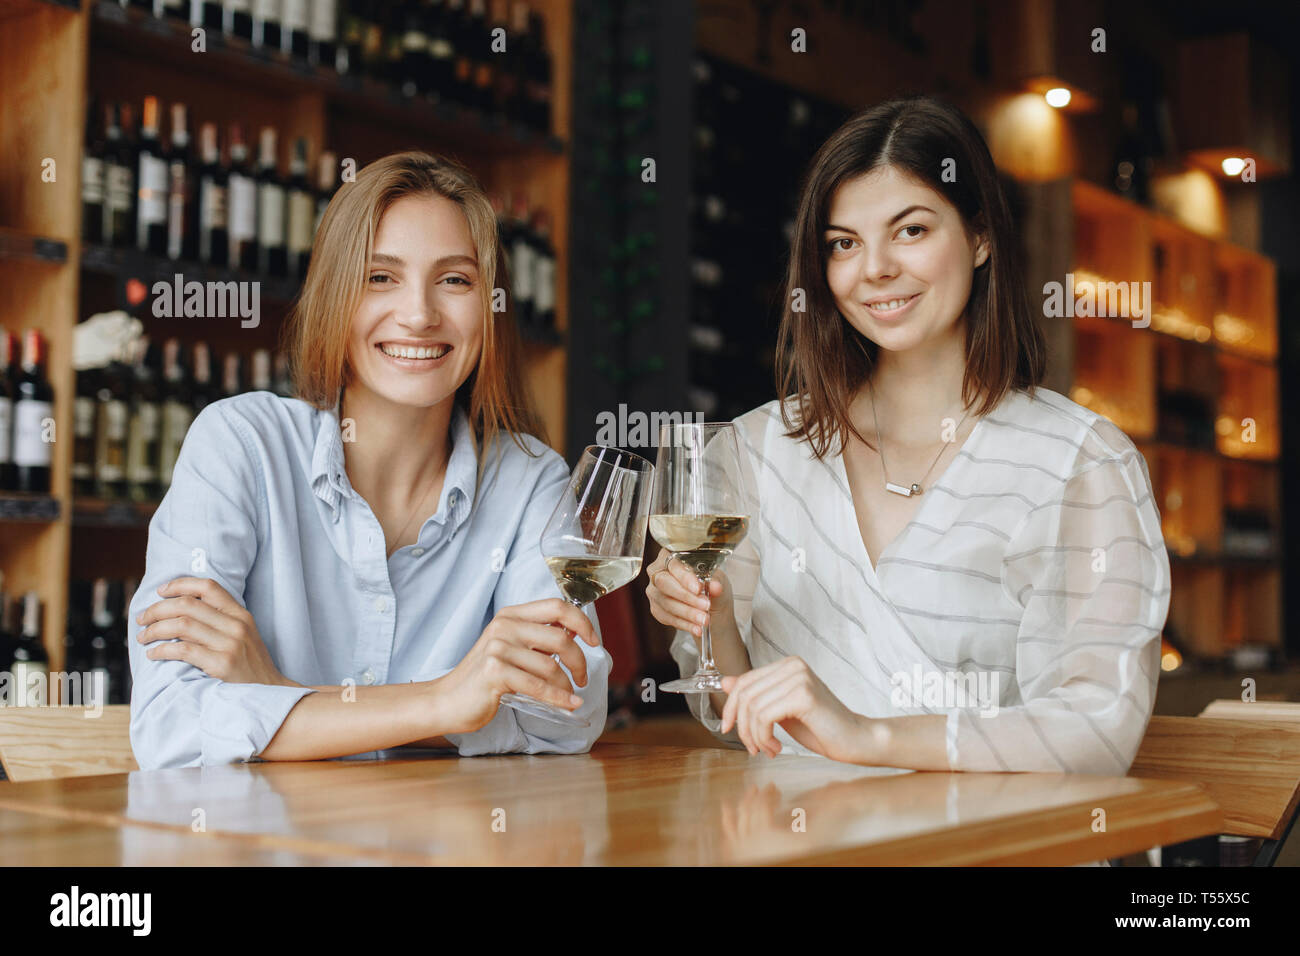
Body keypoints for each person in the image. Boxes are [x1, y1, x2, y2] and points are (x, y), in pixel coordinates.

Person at [647, 96, 1170, 774]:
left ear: (980, 236)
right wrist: (711, 621)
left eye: (912, 231)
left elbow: (1097, 732)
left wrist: (866, 736)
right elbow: (731, 713)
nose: (875, 269)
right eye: (844, 243)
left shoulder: (1080, 463)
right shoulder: (754, 452)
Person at [128, 151, 609, 769]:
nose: (418, 314)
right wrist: (444, 701)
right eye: (380, 277)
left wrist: (275, 693)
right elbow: (172, 727)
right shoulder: (240, 445)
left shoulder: (530, 481)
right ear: (334, 297)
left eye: (455, 280)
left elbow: (569, 709)